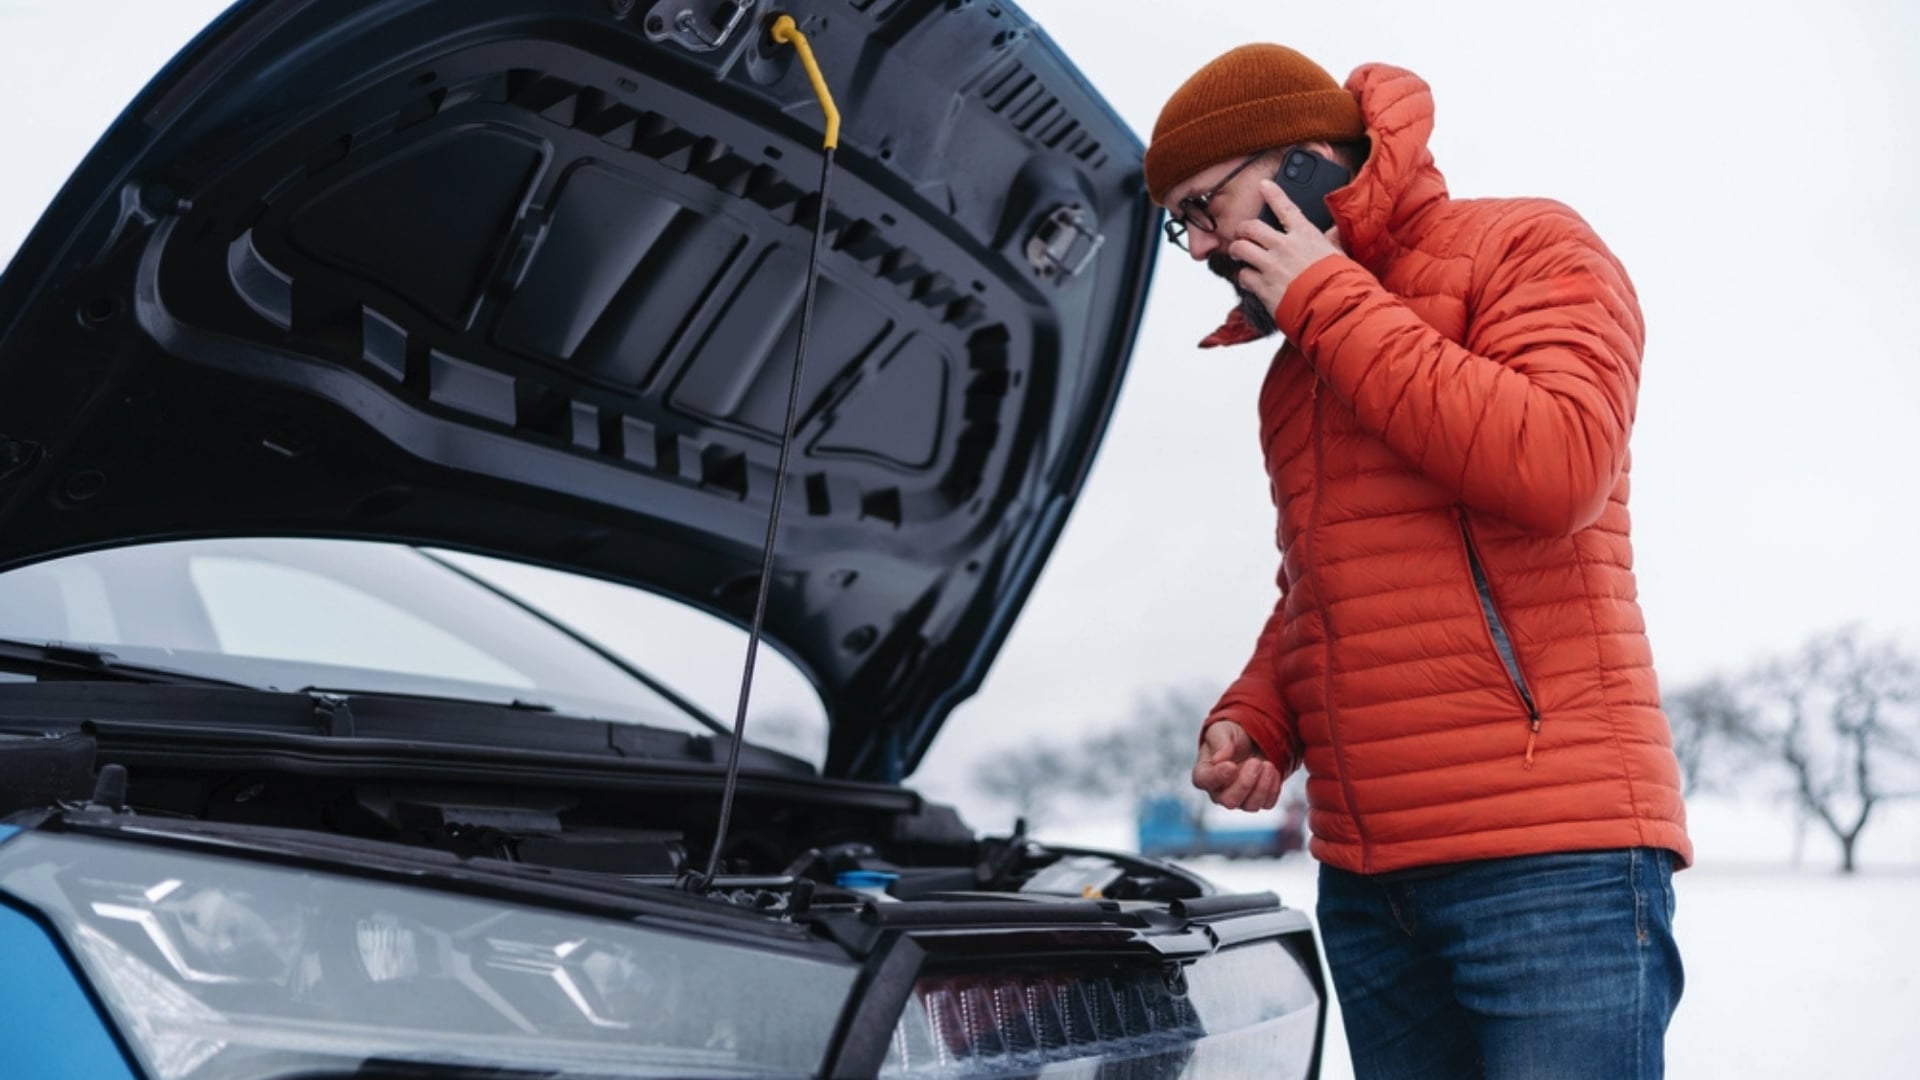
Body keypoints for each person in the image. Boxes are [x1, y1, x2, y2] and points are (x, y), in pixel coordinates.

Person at [1145, 44, 1690, 1079]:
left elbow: (1559, 466)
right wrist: (1262, 709)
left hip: (1549, 862)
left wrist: (1331, 299)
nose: (1206, 247)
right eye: (1184, 225)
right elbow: (1330, 579)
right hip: (1367, 884)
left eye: (1208, 206)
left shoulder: (1526, 245)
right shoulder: (1293, 377)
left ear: (1308, 163)